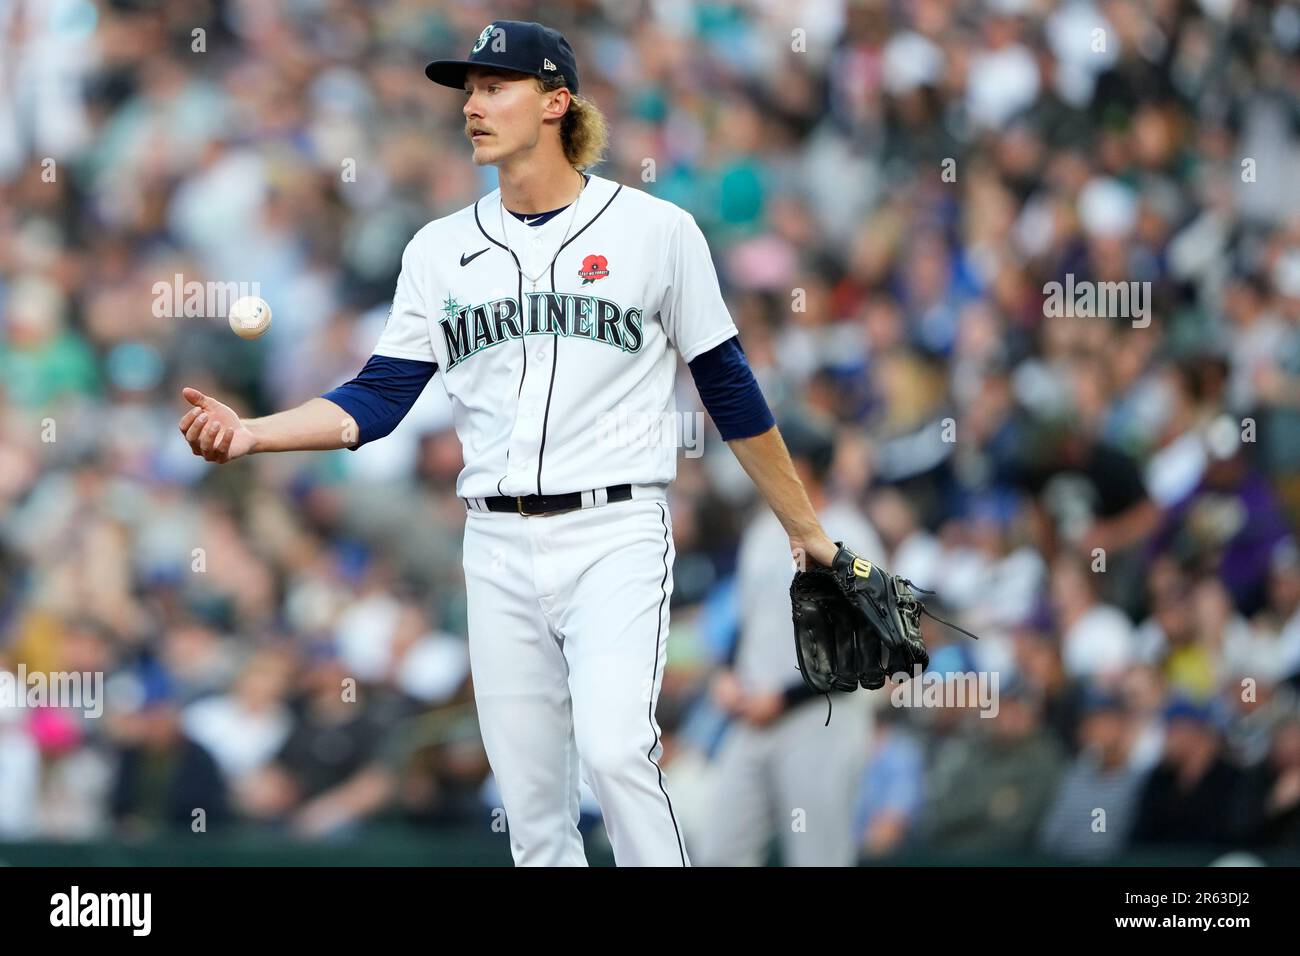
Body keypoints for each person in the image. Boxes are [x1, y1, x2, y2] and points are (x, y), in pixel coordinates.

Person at [176, 20, 871, 867]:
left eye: (495, 85)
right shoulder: (438, 250)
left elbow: (729, 388)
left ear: (555, 100)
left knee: (617, 754)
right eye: (468, 89)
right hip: (495, 542)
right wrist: (252, 434)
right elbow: (378, 399)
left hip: (615, 530)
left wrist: (804, 529)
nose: (473, 104)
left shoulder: (656, 232)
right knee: (534, 810)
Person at [697, 415, 882, 866]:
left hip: (821, 720)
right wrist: (725, 671)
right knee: (717, 851)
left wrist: (783, 698)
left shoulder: (848, 536)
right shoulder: (763, 531)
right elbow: (748, 620)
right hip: (754, 718)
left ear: (797, 464)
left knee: (819, 858)